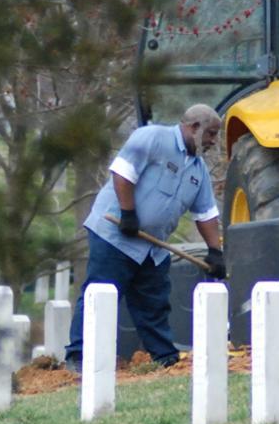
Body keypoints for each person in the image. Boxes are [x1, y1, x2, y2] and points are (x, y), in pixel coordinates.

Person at [64, 104, 226, 370]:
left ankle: (164, 359)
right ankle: (79, 356)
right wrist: (128, 212)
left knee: (154, 304)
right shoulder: (151, 137)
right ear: (194, 127)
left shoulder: (198, 170)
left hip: (152, 248)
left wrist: (215, 251)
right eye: (210, 133)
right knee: (102, 294)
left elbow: (206, 212)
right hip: (114, 235)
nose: (212, 141)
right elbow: (123, 172)